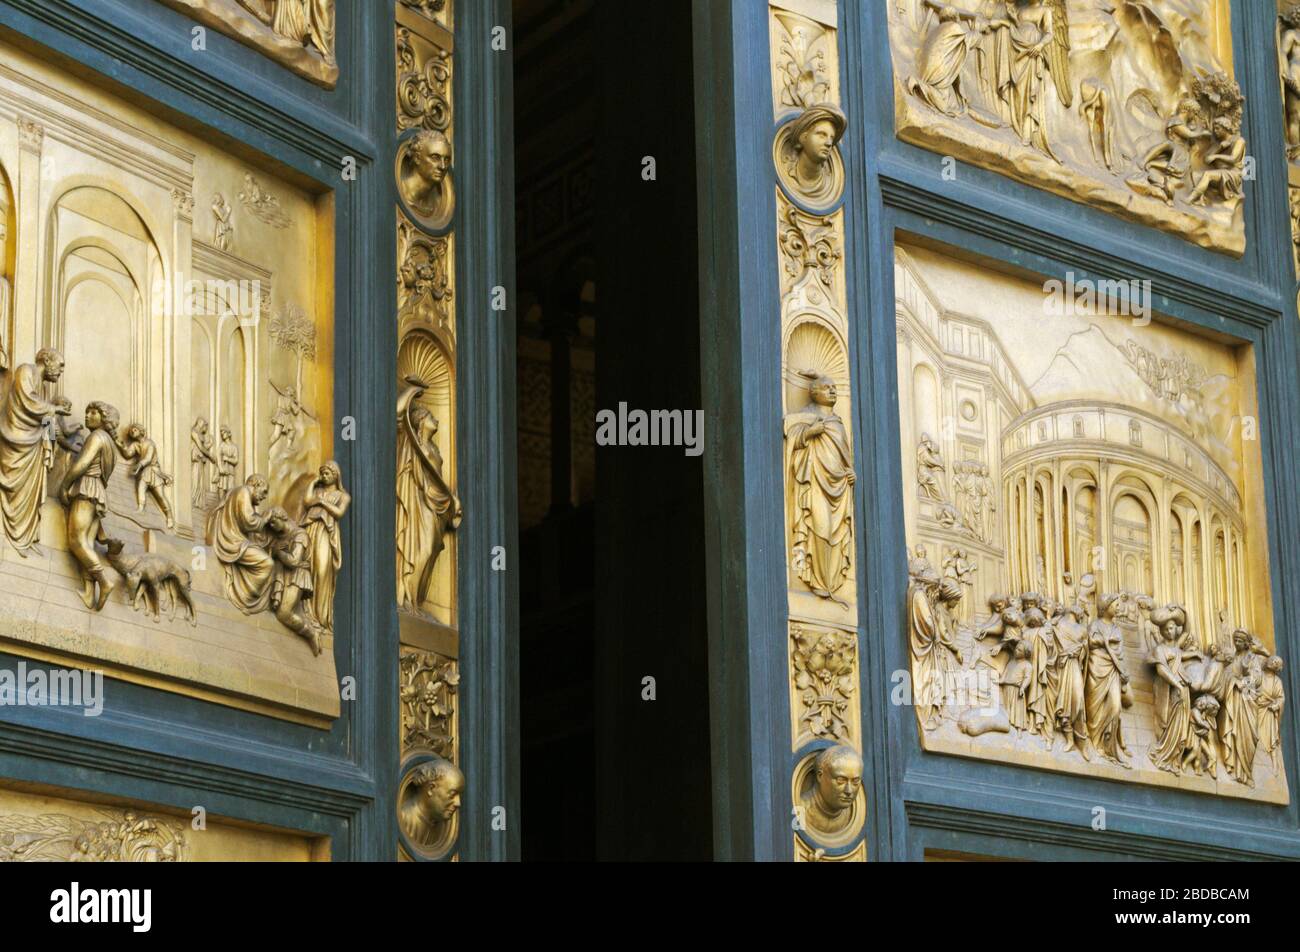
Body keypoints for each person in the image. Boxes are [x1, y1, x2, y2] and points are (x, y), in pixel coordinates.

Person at [784, 372, 855, 604]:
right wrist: (808, 433)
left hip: (838, 488)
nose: (833, 390)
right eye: (826, 387)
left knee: (836, 534)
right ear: (814, 393)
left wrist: (850, 474)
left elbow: (844, 457)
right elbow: (790, 433)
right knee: (819, 526)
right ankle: (818, 581)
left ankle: (831, 582)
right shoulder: (806, 417)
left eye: (834, 387)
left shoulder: (838, 423)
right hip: (814, 482)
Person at [0, 348, 68, 555]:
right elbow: (28, 401)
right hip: (16, 440)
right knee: (16, 486)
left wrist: (55, 439)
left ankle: (26, 536)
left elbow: (46, 419)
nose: (61, 371)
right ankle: (13, 536)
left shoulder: (45, 390)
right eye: (60, 365)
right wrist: (53, 410)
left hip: (34, 448)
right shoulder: (25, 371)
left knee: (32, 491)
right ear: (47, 360)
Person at [59, 401, 120, 611]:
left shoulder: (97, 437)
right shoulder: (110, 443)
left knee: (76, 541)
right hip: (98, 492)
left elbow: (82, 464)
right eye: (86, 412)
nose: (87, 416)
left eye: (93, 412)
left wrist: (64, 485)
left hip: (86, 488)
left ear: (104, 417)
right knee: (88, 543)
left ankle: (104, 581)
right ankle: (88, 592)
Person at [207, 474, 275, 614]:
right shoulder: (244, 492)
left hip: (234, 538)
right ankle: (246, 597)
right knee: (267, 563)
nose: (264, 497)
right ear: (256, 485)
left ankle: (246, 593)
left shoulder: (238, 492)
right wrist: (265, 519)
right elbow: (249, 521)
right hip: (232, 541)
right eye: (264, 492)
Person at [302, 460, 350, 634]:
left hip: (326, 534)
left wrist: (322, 503)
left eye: (327, 473)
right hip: (311, 529)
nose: (324, 476)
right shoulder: (318, 491)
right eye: (322, 473)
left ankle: (320, 617)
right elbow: (307, 502)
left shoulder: (342, 496)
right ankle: (307, 611)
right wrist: (313, 483)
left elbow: (339, 512)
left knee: (322, 571)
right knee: (309, 567)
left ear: (336, 475)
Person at [118, 423, 174, 531]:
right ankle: (140, 508)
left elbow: (148, 458)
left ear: (141, 431)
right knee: (141, 487)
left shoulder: (150, 443)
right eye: (131, 431)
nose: (132, 432)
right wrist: (122, 446)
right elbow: (128, 454)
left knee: (161, 496)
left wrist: (139, 465)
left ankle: (169, 516)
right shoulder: (135, 445)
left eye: (135, 430)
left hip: (153, 471)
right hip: (145, 471)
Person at [799, 745, 862, 840]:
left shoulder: (852, 816)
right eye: (841, 780)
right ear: (820, 776)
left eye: (855, 781)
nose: (849, 790)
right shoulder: (800, 809)